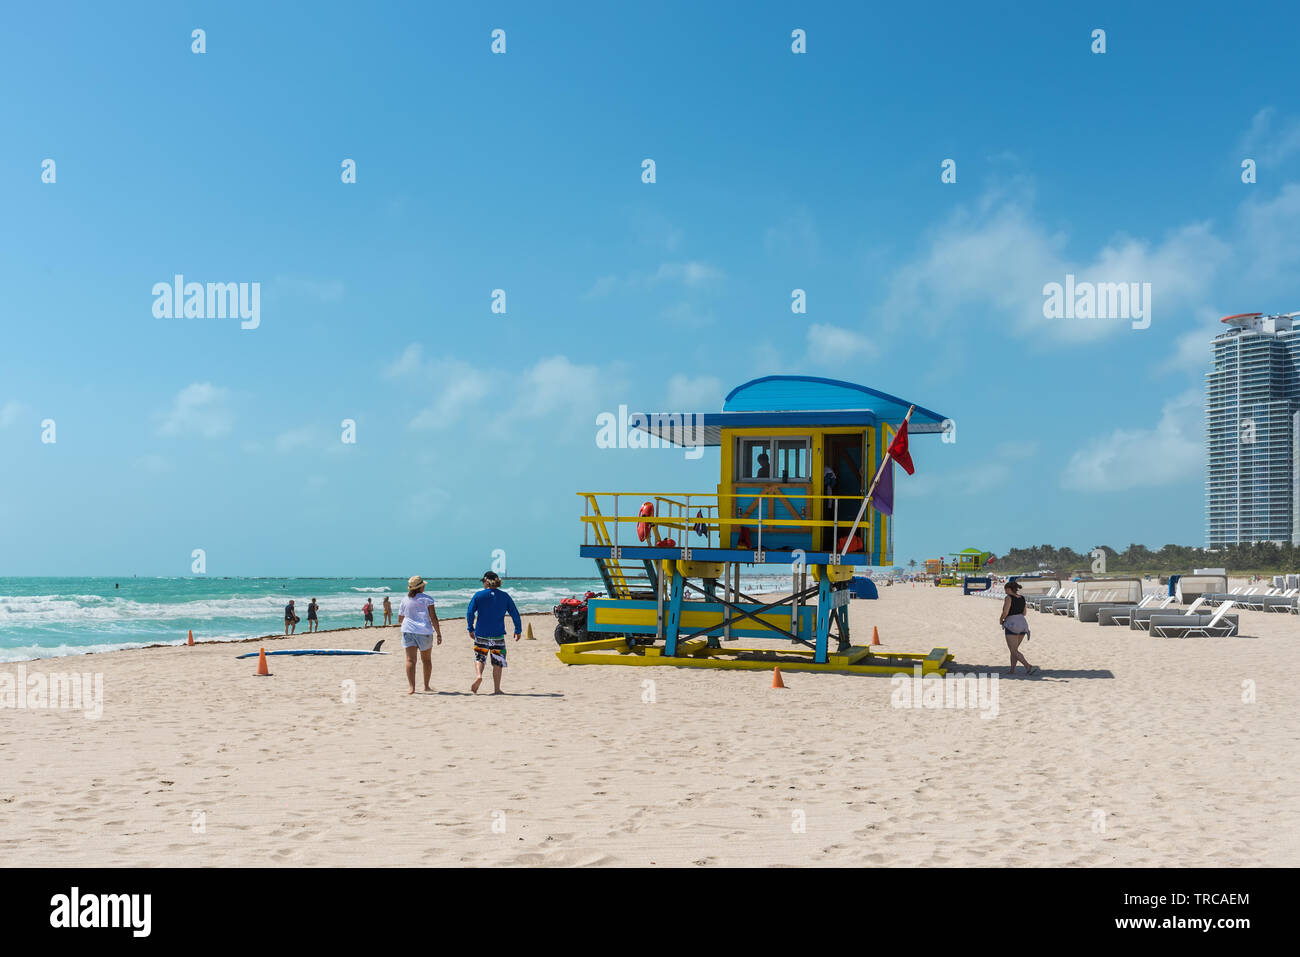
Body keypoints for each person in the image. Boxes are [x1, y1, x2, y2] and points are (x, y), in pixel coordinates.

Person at [465, 571, 521, 694]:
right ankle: (497, 689)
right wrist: (518, 630)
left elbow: (470, 612)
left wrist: (470, 628)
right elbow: (515, 613)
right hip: (498, 634)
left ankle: (479, 675)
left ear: (486, 582)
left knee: (480, 657)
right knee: (498, 661)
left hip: (481, 633)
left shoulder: (479, 595)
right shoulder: (504, 596)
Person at [398, 575, 442, 694]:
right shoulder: (428, 599)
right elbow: (433, 617)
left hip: (408, 630)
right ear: (421, 587)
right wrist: (438, 633)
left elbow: (400, 619)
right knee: (426, 660)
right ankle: (426, 686)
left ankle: (412, 688)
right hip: (424, 631)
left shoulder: (405, 599)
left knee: (410, 660)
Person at [999, 581, 1037, 675]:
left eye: (1005, 589)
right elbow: (1024, 613)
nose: (1005, 591)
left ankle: (1028, 666)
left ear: (1008, 589)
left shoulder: (1008, 598)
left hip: (1012, 624)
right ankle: (1012, 670)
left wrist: (1001, 619)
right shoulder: (1022, 598)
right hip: (1022, 623)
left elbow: (1005, 612)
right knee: (1015, 650)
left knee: (1013, 650)